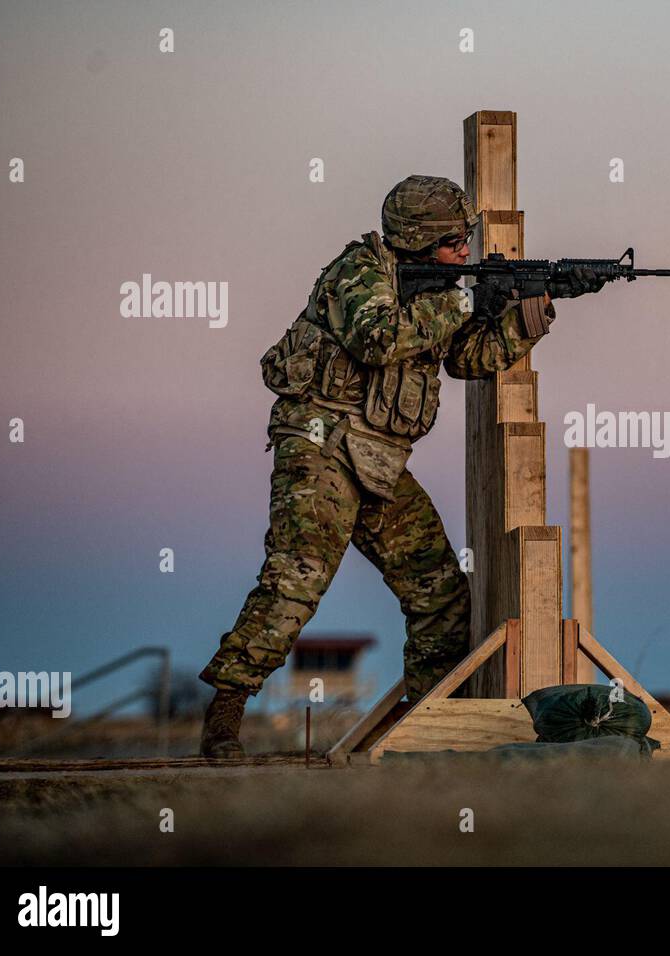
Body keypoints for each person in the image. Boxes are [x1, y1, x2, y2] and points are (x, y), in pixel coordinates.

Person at [196, 175, 603, 758]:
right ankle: (225, 714)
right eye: (453, 241)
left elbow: (468, 358)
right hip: (323, 443)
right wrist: (467, 299)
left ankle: (421, 725)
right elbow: (379, 338)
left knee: (441, 596)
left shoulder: (439, 290)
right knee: (298, 576)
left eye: (465, 239)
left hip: (380, 460)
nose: (465, 250)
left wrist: (535, 309)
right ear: (417, 241)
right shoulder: (359, 272)